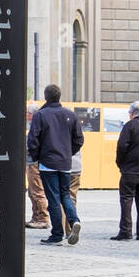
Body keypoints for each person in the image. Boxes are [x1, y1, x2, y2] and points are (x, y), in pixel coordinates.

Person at [27, 84, 84, 246]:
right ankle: (74, 221)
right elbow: (79, 139)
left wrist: (38, 156)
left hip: (48, 162)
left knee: (53, 199)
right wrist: (68, 152)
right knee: (65, 195)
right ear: (59, 96)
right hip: (65, 162)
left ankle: (57, 234)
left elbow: (33, 139)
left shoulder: (41, 115)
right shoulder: (70, 114)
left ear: (46, 97)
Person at [112, 101, 139, 241]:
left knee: (126, 200)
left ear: (132, 114)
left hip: (131, 170)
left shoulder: (129, 126)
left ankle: (125, 231)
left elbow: (122, 147)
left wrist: (120, 164)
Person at [24, 105, 50, 230]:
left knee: (37, 191)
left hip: (34, 162)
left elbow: (33, 144)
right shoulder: (36, 124)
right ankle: (36, 217)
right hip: (31, 162)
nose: (25, 115)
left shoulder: (38, 125)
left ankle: (42, 218)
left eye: (27, 112)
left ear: (32, 114)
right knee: (32, 191)